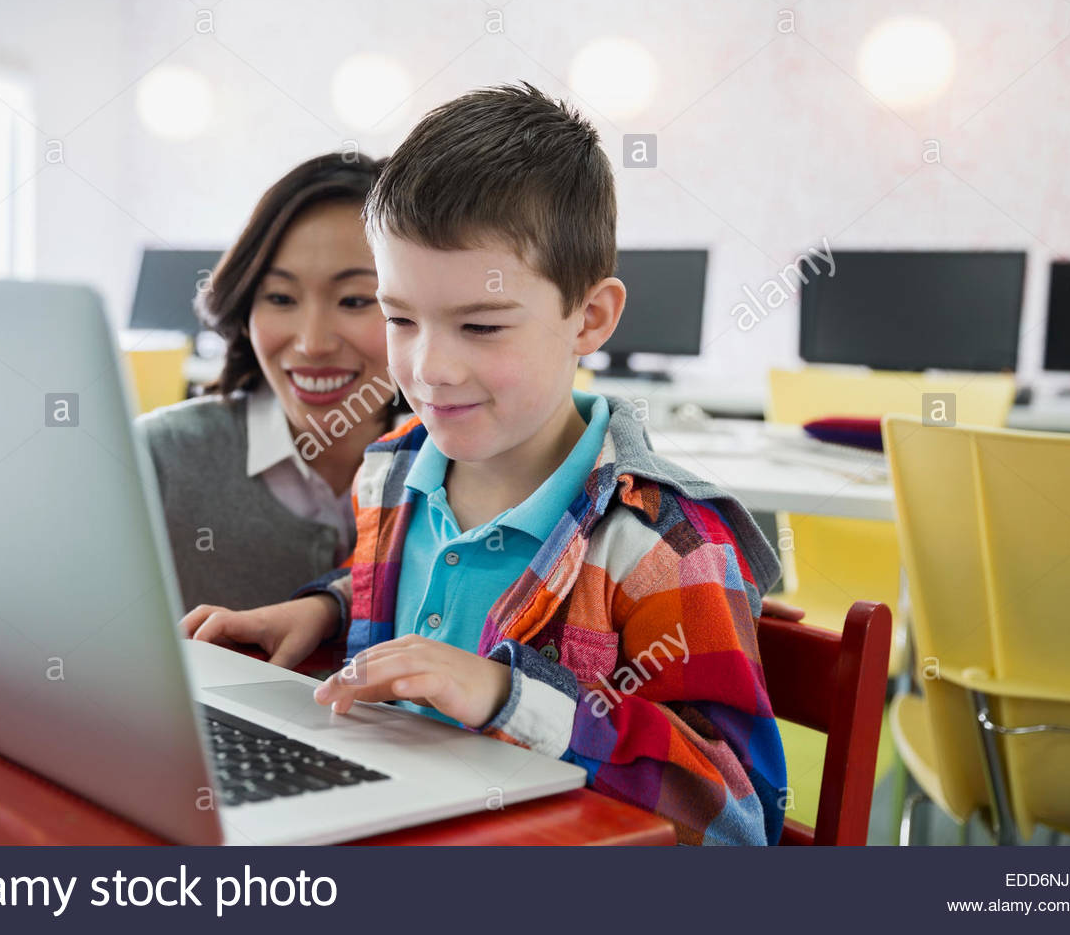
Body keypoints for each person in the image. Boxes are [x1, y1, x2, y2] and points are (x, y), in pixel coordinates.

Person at [182, 85, 786, 845]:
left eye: (480, 324)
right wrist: (322, 613)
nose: (430, 369)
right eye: (400, 318)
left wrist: (510, 695)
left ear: (589, 318)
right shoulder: (396, 473)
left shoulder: (667, 545)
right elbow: (400, 600)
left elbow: (739, 818)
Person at [139, 152, 403, 614]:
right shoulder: (157, 457)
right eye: (280, 297)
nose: (312, 343)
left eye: (355, 299)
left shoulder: (465, 462)